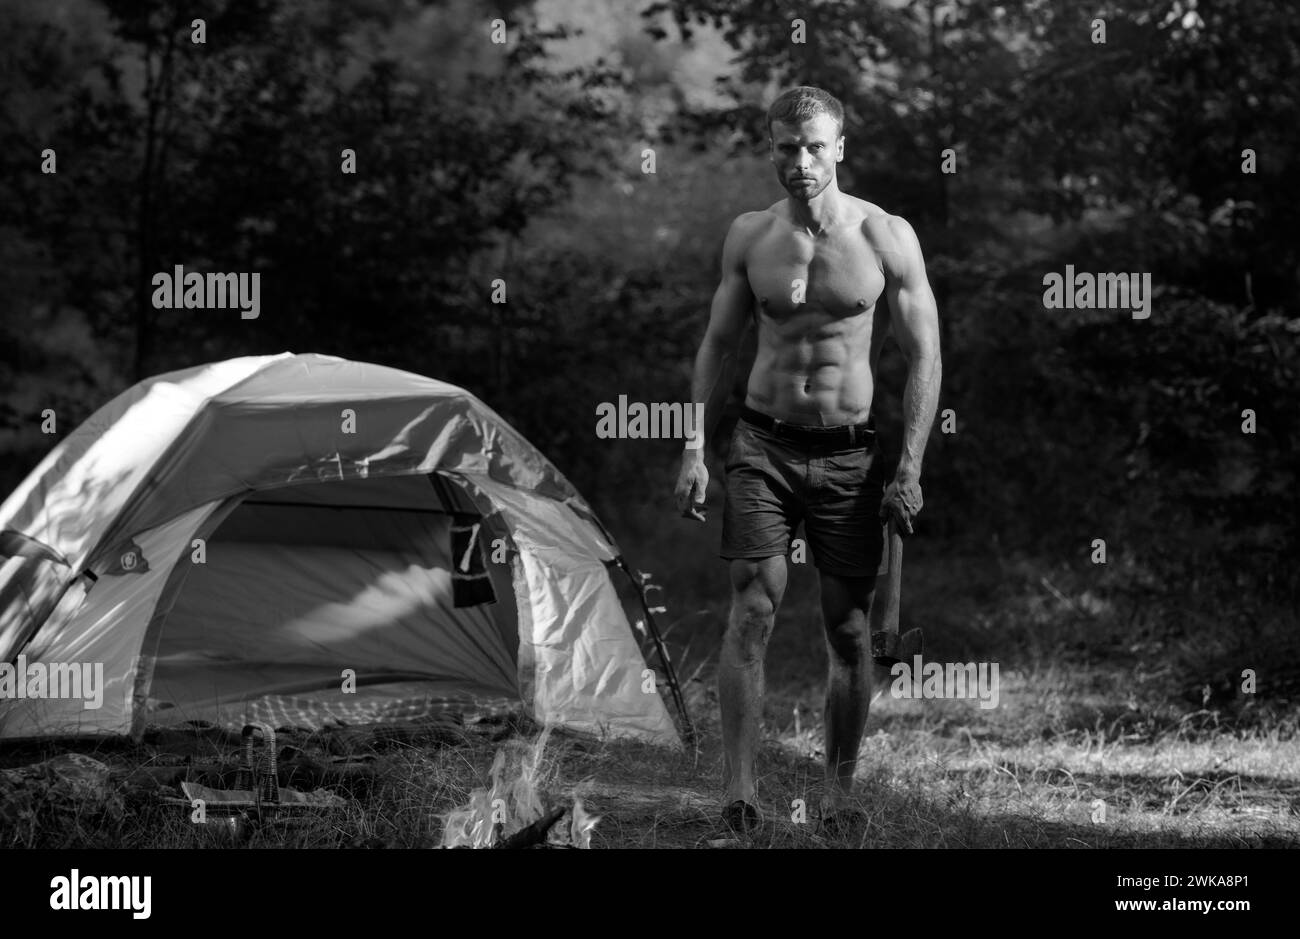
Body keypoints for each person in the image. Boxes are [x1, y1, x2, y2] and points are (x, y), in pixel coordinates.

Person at [673, 86, 942, 833]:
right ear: (771, 148)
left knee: (849, 628)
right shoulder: (751, 236)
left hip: (851, 456)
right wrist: (695, 445)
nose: (799, 161)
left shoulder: (886, 236)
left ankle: (839, 796)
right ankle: (740, 790)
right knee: (753, 604)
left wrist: (910, 465)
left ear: (840, 148)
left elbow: (926, 355)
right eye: (785, 147)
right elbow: (719, 346)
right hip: (761, 442)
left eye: (814, 146)